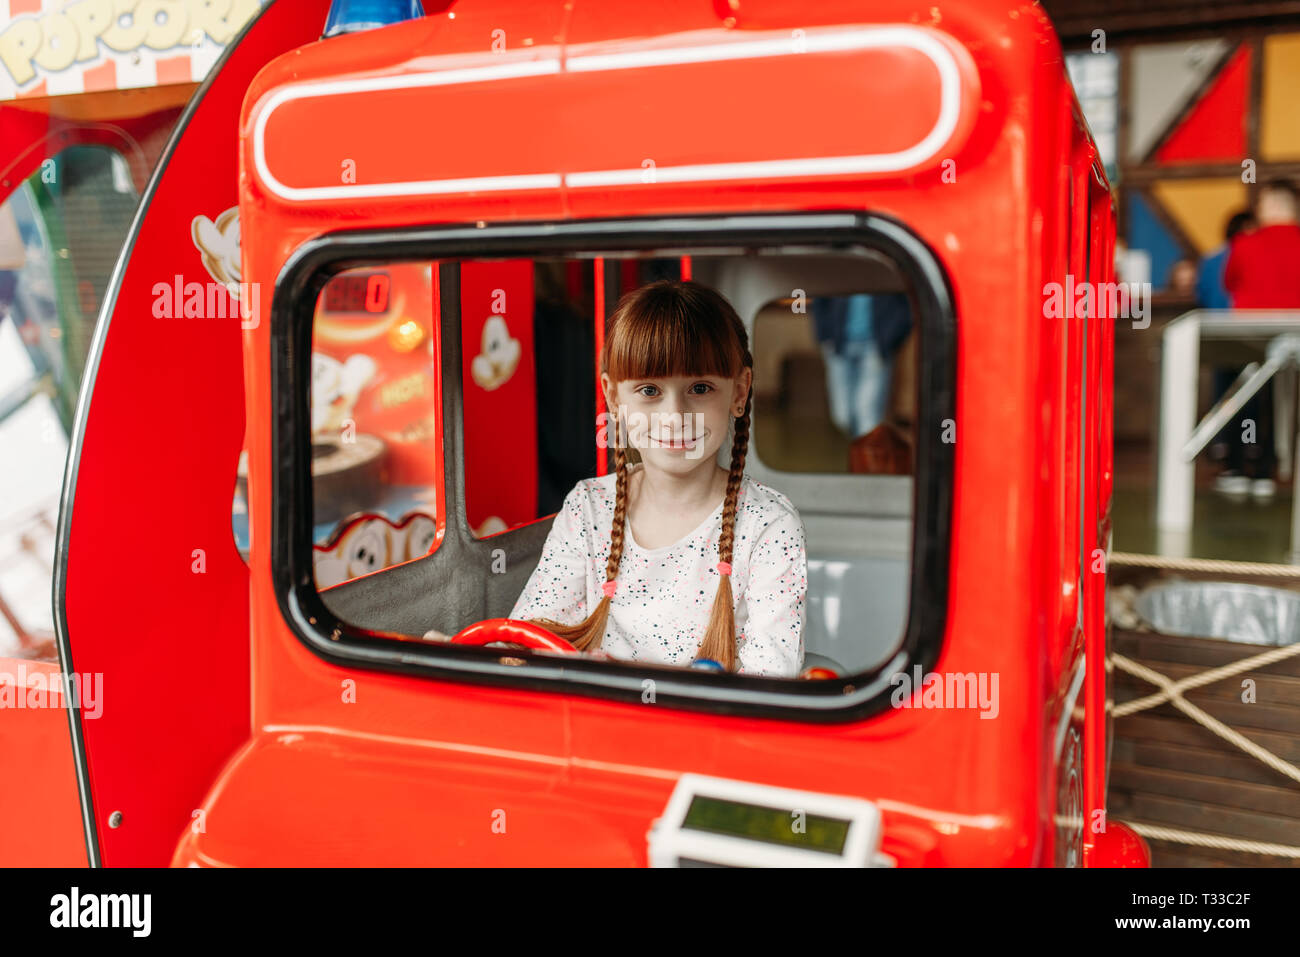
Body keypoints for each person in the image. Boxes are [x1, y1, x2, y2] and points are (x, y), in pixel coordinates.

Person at [502, 279, 808, 676]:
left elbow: (770, 681)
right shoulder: (588, 507)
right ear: (614, 397)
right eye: (649, 390)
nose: (675, 416)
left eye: (700, 388)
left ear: (739, 392)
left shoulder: (769, 524)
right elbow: (526, 639)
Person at [1221, 180, 1300, 500]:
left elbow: (1230, 281)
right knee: (1280, 399)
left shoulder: (1244, 243)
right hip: (1295, 339)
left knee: (1242, 388)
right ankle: (1270, 467)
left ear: (1276, 206)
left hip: (1250, 339)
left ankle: (1240, 466)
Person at [810, 292, 912, 440]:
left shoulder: (887, 272)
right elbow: (819, 302)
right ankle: (862, 451)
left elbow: (905, 308)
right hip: (839, 346)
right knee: (842, 415)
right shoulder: (836, 271)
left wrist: (890, 339)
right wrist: (824, 337)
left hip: (875, 348)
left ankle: (866, 459)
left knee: (868, 413)